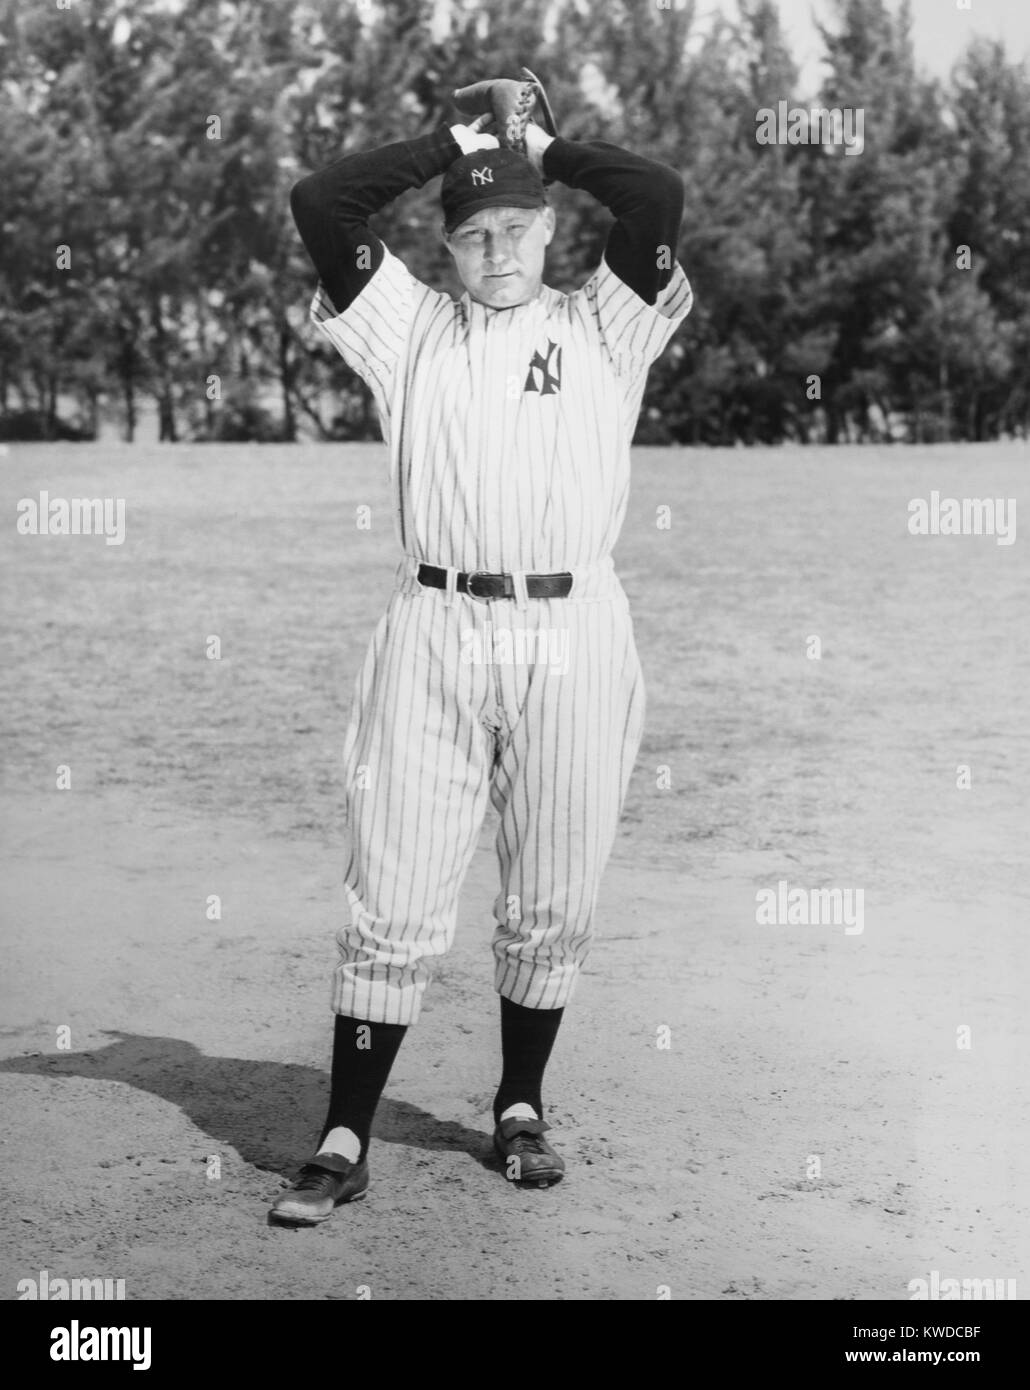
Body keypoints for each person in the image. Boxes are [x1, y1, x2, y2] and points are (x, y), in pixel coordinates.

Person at [271, 82, 692, 1224]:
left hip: (572, 626)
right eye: (471, 233)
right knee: (393, 888)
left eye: (516, 225)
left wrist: (539, 148)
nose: (497, 250)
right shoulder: (410, 326)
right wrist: (452, 145)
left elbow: (652, 194)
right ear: (444, 246)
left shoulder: (603, 320)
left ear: (552, 226)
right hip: (436, 628)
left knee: (553, 890)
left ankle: (519, 1107)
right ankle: (346, 1132)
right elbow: (321, 200)